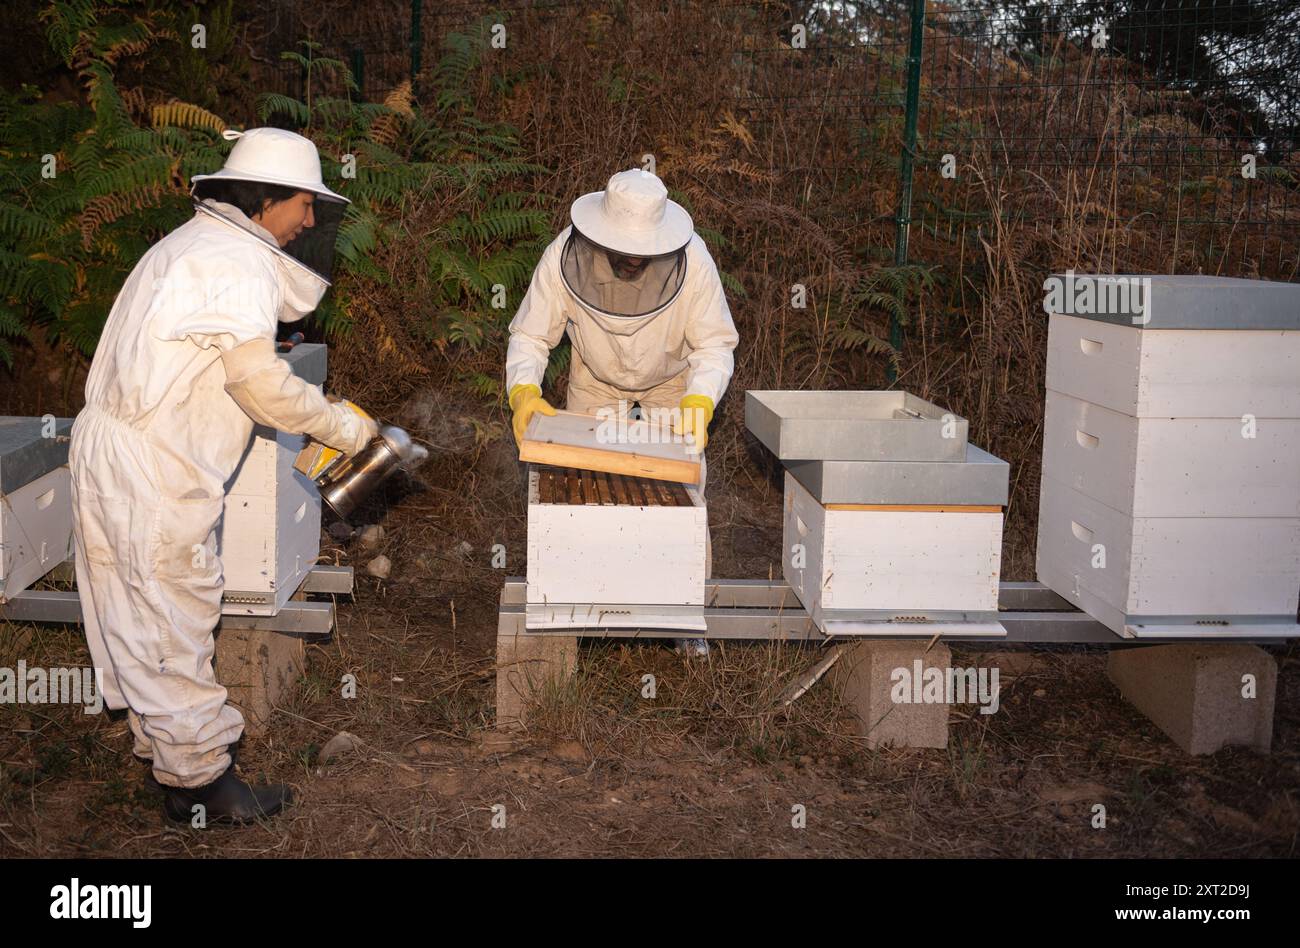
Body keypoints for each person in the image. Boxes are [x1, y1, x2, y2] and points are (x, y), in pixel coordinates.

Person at [69, 127, 376, 823]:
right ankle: (208, 786)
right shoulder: (236, 263)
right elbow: (260, 387)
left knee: (140, 616)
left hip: (115, 452)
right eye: (304, 203)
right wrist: (345, 426)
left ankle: (172, 765)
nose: (308, 221)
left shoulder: (188, 245)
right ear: (268, 198)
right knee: (174, 612)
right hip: (153, 466)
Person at [505, 168, 739, 655]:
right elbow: (530, 334)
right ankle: (580, 606)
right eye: (623, 253)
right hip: (594, 376)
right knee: (575, 485)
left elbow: (715, 345)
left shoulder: (694, 263)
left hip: (671, 381)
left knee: (680, 487)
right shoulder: (561, 257)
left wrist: (700, 398)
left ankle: (684, 616)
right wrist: (524, 391)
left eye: (643, 256)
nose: (633, 262)